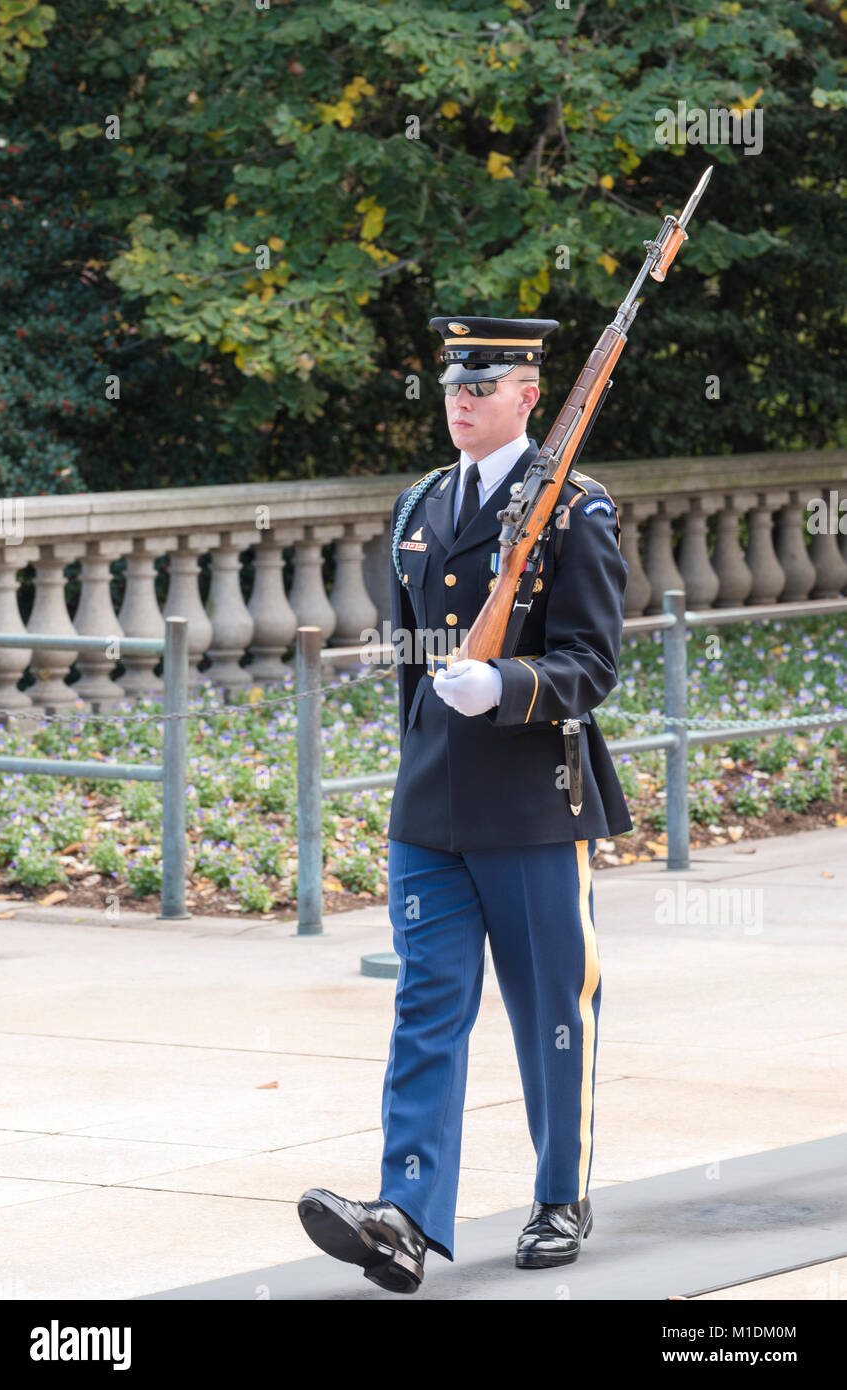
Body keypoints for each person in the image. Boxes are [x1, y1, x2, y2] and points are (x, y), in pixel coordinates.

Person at [298, 315, 633, 1295]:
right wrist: (424, 750)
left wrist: (508, 687)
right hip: (433, 810)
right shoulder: (417, 506)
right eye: (454, 381)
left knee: (549, 1012)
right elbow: (412, 662)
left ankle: (560, 1193)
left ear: (531, 395)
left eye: (482, 384)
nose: (461, 397)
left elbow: (593, 663)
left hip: (532, 804)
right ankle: (404, 1215)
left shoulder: (575, 511)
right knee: (426, 1005)